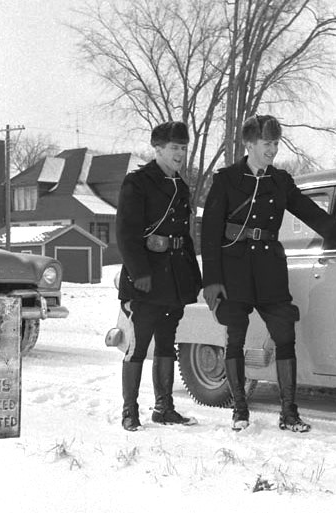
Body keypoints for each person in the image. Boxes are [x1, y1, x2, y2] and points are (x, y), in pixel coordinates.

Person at [200, 114, 336, 432]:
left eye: (276, 143)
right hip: (234, 268)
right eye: (267, 144)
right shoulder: (226, 180)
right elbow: (210, 233)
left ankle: (289, 412)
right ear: (249, 144)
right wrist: (212, 280)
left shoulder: (280, 181)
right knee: (235, 338)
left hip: (269, 268)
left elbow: (311, 213)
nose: (273, 150)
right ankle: (240, 411)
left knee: (285, 337)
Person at [115, 120, 203, 431]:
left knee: (167, 343)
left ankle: (164, 408)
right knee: (138, 346)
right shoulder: (138, 182)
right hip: (145, 279)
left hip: (174, 279)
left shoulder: (181, 186)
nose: (180, 154)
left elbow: (184, 236)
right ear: (158, 149)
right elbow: (126, 234)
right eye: (174, 147)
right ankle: (130, 412)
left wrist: (193, 276)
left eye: (183, 148)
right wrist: (139, 273)